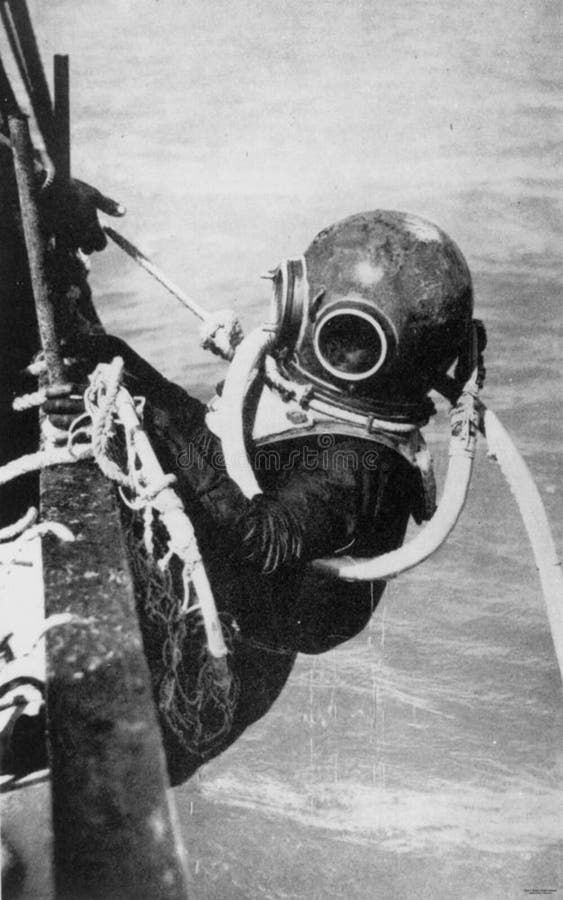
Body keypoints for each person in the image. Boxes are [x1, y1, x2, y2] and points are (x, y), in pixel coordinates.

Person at [48, 209, 481, 785]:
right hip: (214, 608)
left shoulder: (358, 465)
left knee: (87, 768)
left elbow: (260, 536)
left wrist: (152, 408)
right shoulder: (323, 409)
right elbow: (220, 450)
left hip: (222, 665)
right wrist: (113, 360)